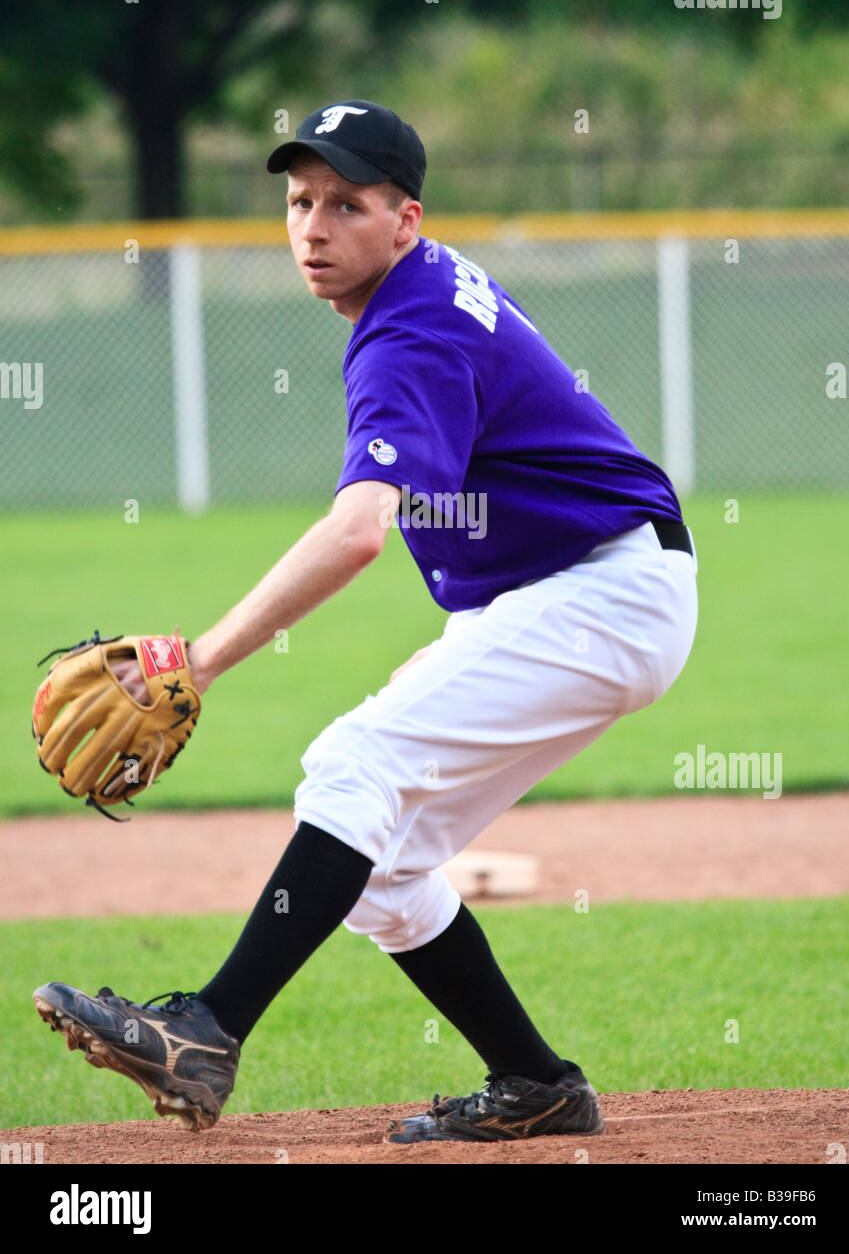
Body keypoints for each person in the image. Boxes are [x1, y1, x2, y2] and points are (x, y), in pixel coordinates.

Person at [34, 99, 698, 1144]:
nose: (312, 225)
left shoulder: (409, 330)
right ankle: (533, 1083)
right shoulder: (418, 294)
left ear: (406, 219)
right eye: (299, 201)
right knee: (381, 867)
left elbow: (356, 534)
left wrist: (198, 659)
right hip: (576, 588)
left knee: (353, 766)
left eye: (346, 203)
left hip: (602, 593)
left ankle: (207, 1029)